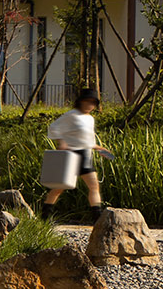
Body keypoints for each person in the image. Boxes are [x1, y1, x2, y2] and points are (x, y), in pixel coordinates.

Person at [41, 90, 112, 222]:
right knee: (59, 188)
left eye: (93, 103)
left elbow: (88, 139)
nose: (90, 105)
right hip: (71, 156)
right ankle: (44, 217)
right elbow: (53, 127)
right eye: (88, 101)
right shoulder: (72, 115)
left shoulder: (90, 119)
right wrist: (61, 142)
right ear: (80, 101)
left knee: (94, 186)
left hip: (85, 156)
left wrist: (99, 148)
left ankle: (97, 219)